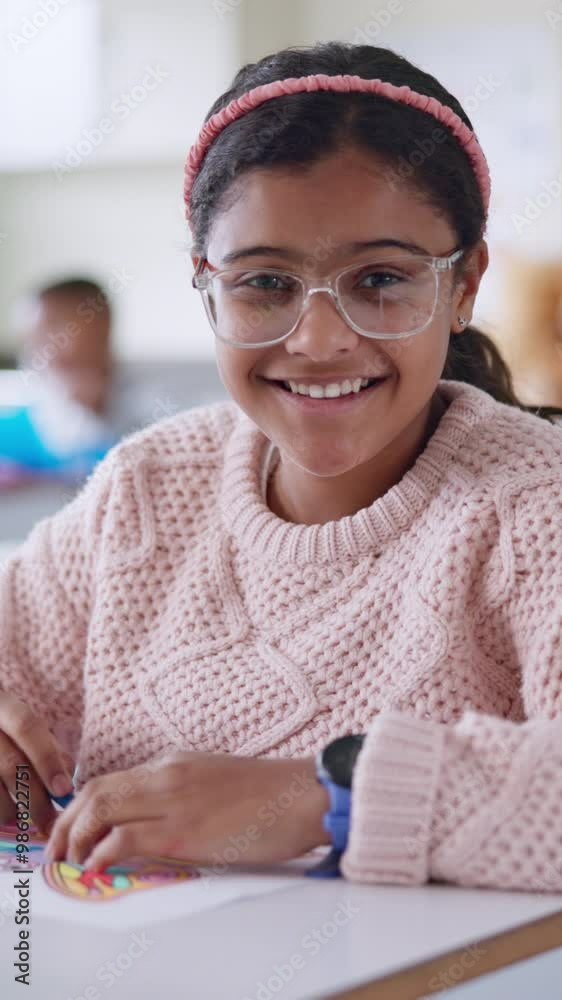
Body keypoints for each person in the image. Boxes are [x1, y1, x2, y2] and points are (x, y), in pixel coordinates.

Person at [0, 42, 561, 891]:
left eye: (380, 278)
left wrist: (323, 796)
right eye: (266, 282)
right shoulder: (145, 491)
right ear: (208, 286)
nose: (320, 339)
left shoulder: (532, 506)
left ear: (464, 284)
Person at [0, 278, 149, 483]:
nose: (36, 350)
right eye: (29, 338)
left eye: (49, 330)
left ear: (100, 330)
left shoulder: (149, 412)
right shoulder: (15, 421)